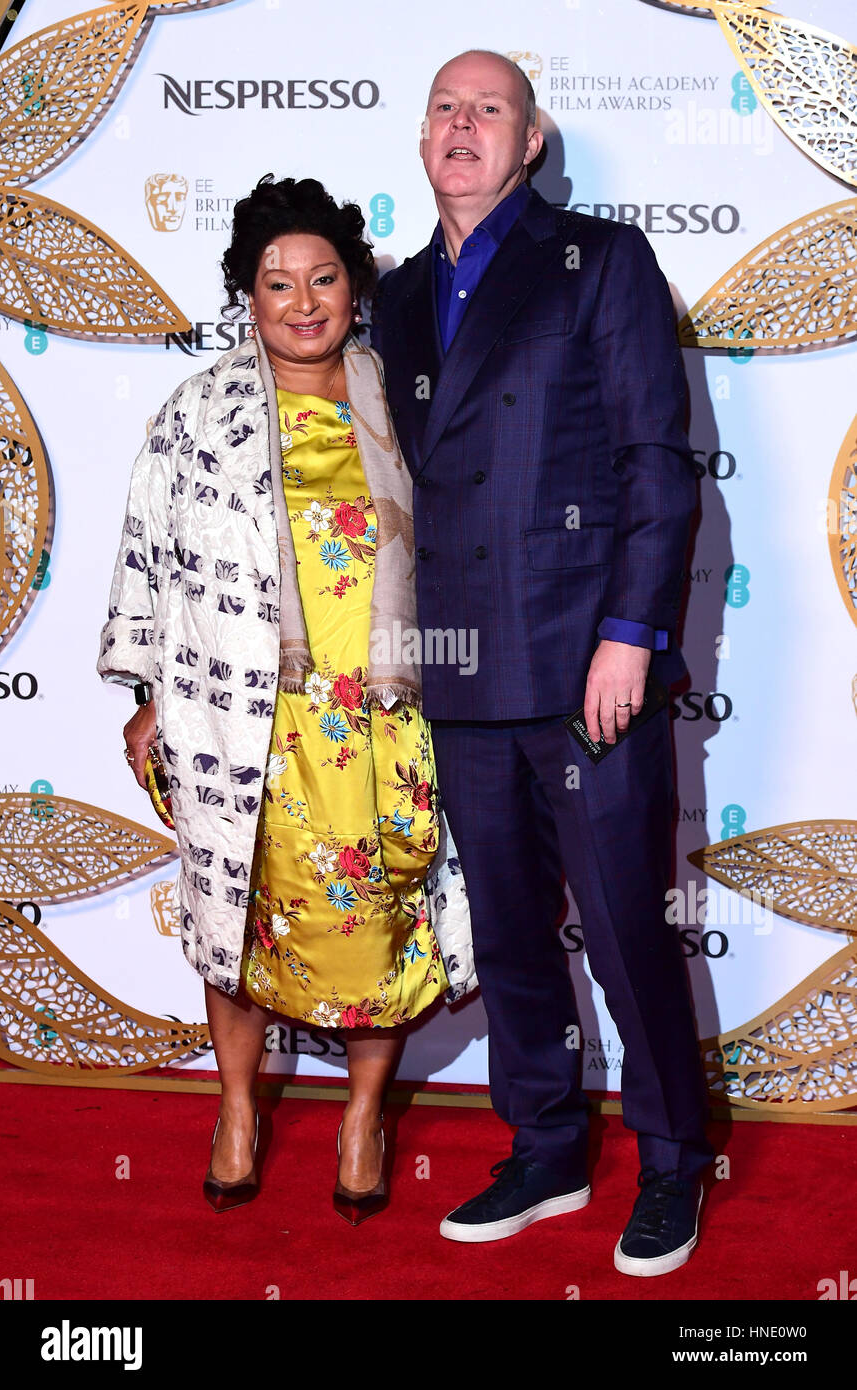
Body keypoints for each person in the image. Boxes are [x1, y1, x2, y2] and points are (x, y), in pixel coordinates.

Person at [370, 49, 715, 1276]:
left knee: (623, 930)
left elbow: (653, 466)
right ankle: (546, 1145)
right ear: (422, 141)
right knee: (510, 936)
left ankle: (673, 1161)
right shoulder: (396, 297)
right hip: (460, 671)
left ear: (527, 145)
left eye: (490, 110)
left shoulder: (599, 262)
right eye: (444, 109)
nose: (463, 126)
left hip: (585, 673)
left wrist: (629, 634)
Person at [98, 175, 469, 1224]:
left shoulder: (406, 396)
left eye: (322, 279)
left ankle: (362, 1114)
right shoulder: (199, 413)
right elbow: (149, 557)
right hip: (238, 715)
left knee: (379, 923)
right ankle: (236, 1108)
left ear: (354, 287)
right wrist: (145, 695)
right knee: (233, 915)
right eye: (276, 284)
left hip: (383, 714)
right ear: (245, 297)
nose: (302, 302)